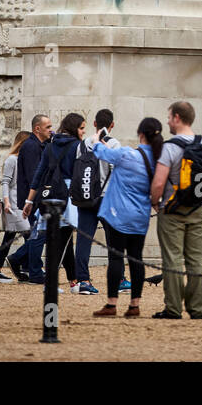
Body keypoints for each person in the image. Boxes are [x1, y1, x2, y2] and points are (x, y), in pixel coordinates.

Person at [150, 101, 202, 320]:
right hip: (197, 209)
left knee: (172, 258)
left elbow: (159, 183)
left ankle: (173, 308)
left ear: (177, 118)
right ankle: (197, 308)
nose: (168, 121)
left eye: (169, 117)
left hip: (172, 209)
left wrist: (154, 200)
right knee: (196, 259)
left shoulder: (170, 147)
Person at [91, 117, 161, 318]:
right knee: (136, 259)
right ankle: (134, 305)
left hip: (118, 215)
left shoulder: (126, 154)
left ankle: (112, 304)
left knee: (115, 258)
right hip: (140, 217)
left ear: (140, 134)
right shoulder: (157, 161)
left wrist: (96, 137)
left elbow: (100, 152)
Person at [22, 113, 86, 292]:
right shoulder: (78, 146)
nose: (83, 131)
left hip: (50, 193)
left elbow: (39, 174)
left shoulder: (49, 146)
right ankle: (51, 282)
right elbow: (81, 174)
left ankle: (73, 280)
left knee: (63, 239)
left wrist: (29, 200)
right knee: (63, 239)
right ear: (74, 128)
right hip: (69, 194)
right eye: (81, 127)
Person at [72, 108, 115, 296]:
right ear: (112, 125)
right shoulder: (113, 143)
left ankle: (83, 279)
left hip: (85, 197)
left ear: (95, 124)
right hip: (107, 198)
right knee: (114, 240)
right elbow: (116, 170)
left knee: (83, 240)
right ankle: (119, 278)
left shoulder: (82, 145)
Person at [6, 114, 51, 284]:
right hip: (32, 201)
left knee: (39, 235)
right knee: (38, 235)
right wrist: (35, 201)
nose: (51, 130)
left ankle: (21, 261)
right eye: (47, 127)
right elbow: (35, 176)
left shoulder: (40, 145)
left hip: (35, 199)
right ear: (37, 129)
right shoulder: (31, 147)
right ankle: (32, 270)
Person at [0, 131, 33, 283]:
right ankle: (25, 268)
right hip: (13, 205)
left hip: (20, 203)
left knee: (9, 238)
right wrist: (7, 202)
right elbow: (6, 182)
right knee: (31, 236)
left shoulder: (22, 160)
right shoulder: (12, 160)